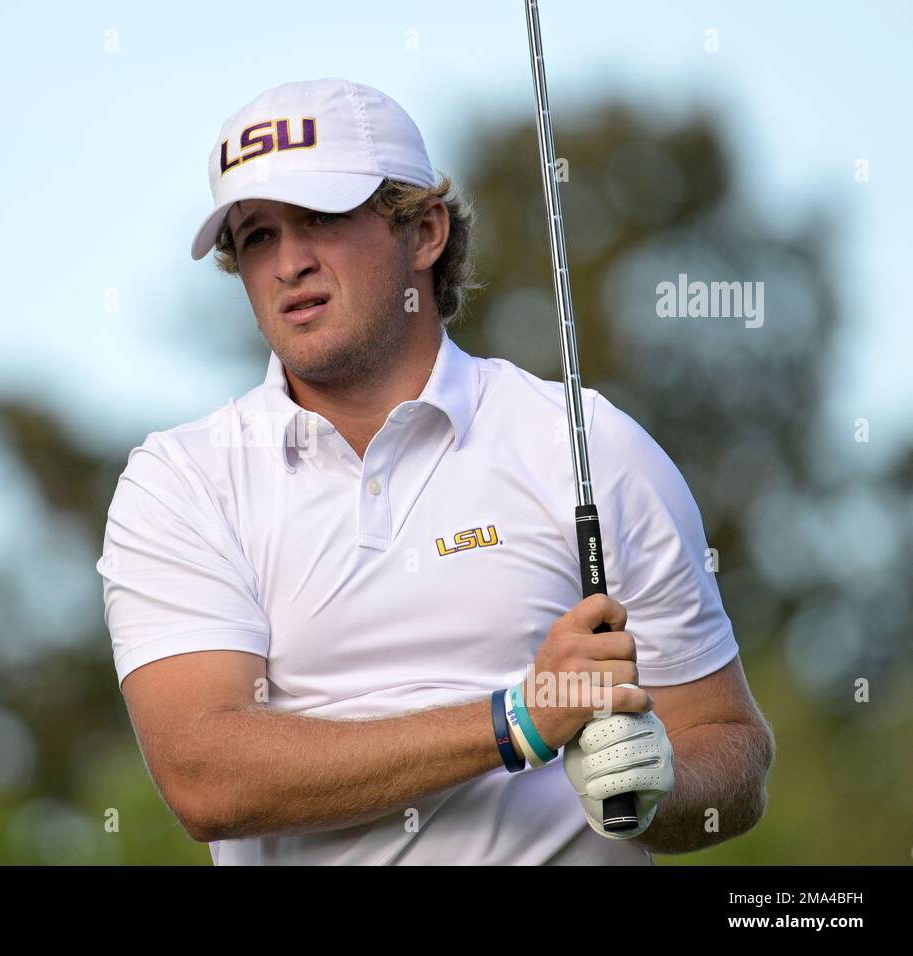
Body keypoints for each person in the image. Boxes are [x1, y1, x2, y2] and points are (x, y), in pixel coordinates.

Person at [95, 77, 774, 865]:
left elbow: (729, 748)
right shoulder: (181, 481)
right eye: (256, 238)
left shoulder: (586, 442)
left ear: (423, 232)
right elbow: (206, 778)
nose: (289, 263)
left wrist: (659, 787)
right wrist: (517, 720)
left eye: (321, 218)